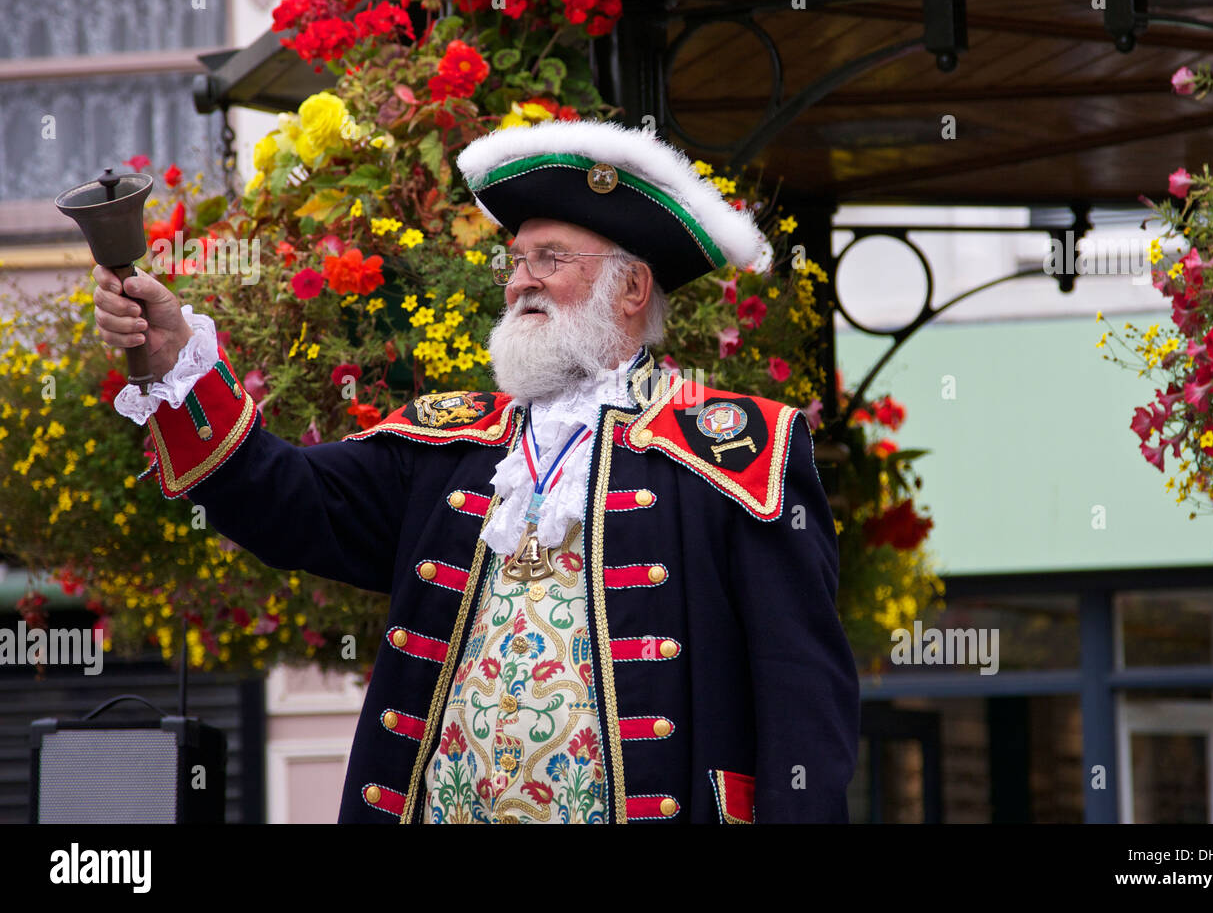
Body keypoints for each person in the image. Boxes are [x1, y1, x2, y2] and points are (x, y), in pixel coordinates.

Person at [91, 119, 860, 824]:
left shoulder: (737, 452)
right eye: (515, 261)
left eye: (550, 260)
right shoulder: (451, 444)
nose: (520, 280)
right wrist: (176, 363)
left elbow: (804, 700)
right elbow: (286, 502)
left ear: (632, 288)